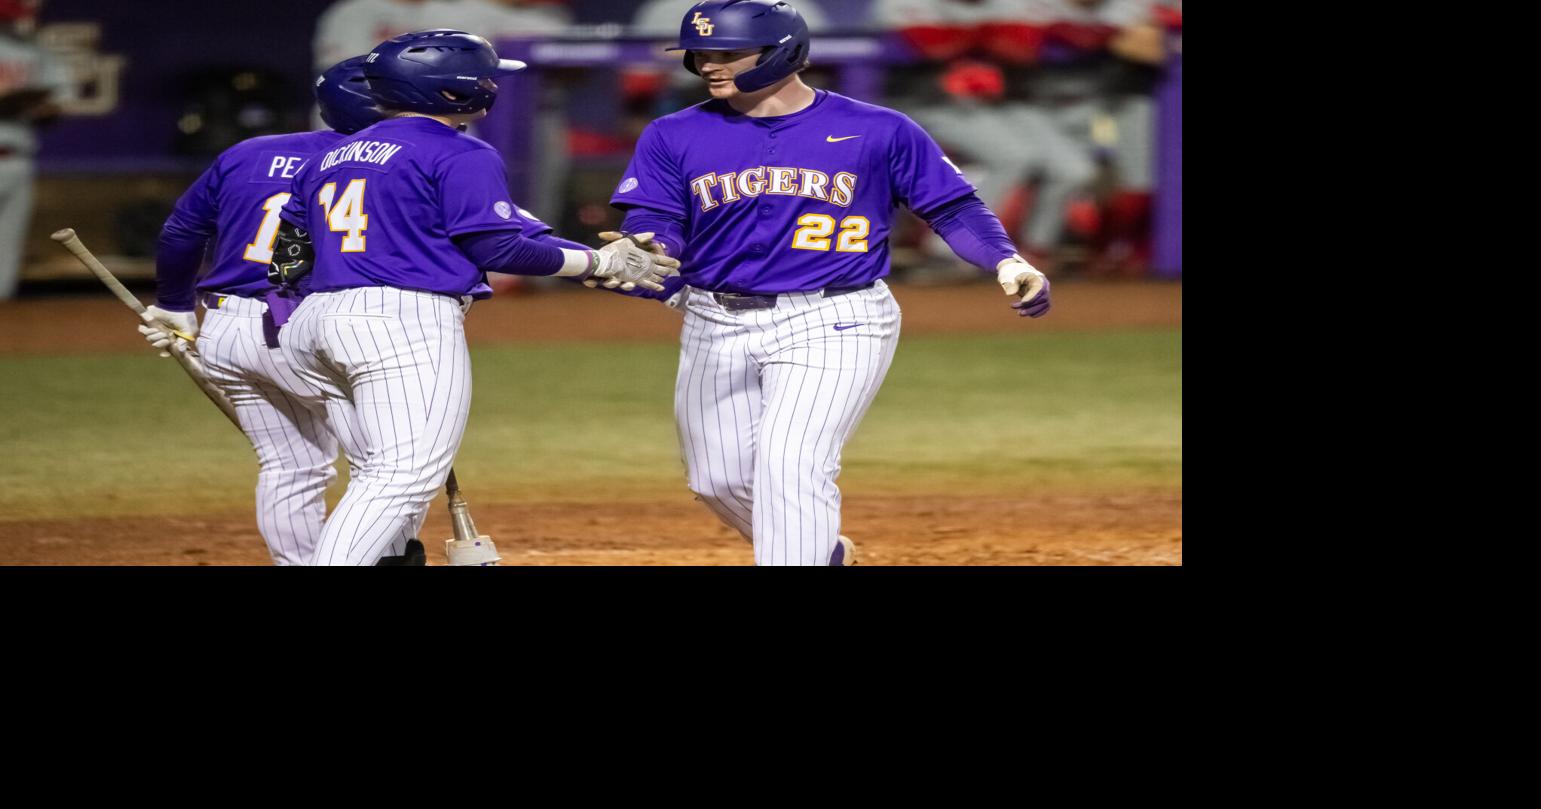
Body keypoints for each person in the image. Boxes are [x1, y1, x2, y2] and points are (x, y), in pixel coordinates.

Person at [607, 0, 1050, 566]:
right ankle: (820, 549)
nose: (708, 65)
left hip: (836, 317)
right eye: (700, 54)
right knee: (718, 480)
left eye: (727, 53)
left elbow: (953, 206)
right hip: (712, 320)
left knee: (791, 466)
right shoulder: (674, 133)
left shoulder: (877, 129)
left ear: (782, 53)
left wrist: (1007, 261)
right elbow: (657, 218)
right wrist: (649, 249)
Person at [271, 29, 679, 566]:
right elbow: (499, 248)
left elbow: (288, 256)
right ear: (453, 89)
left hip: (314, 324)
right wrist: (598, 263)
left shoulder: (331, 156)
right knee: (401, 477)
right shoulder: (458, 150)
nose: (492, 85)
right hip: (399, 323)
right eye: (485, 76)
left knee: (377, 472)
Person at [135, 57, 387, 565]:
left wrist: (175, 305)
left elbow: (182, 230)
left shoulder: (248, 152)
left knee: (291, 466)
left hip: (226, 330)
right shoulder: (384, 164)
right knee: (387, 470)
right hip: (309, 329)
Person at [0, 0, 69, 300]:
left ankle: (5, 315)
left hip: (18, 156)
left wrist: (29, 104)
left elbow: (57, 103)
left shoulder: (35, 50)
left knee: (7, 247)